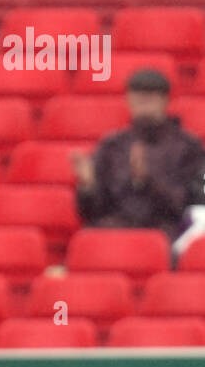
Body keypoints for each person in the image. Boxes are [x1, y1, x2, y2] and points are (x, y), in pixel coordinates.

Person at [71, 69, 205, 243]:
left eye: (150, 98)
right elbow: (91, 212)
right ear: (129, 100)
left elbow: (188, 206)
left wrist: (147, 181)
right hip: (114, 229)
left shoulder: (188, 147)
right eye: (139, 98)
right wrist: (87, 186)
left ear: (165, 100)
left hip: (166, 231)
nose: (144, 104)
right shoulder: (112, 146)